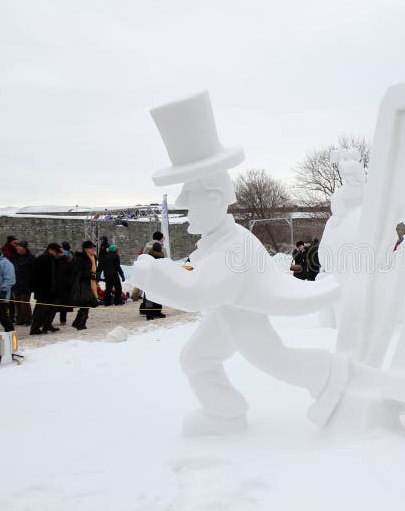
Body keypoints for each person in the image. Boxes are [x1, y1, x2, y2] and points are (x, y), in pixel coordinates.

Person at [133, 91, 347, 436]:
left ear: (216, 199)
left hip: (241, 309)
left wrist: (153, 275)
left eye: (191, 202)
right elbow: (200, 280)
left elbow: (200, 293)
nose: (186, 212)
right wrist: (164, 272)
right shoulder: (220, 239)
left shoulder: (234, 245)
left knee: (269, 359)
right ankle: (226, 412)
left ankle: (323, 373)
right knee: (197, 359)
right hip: (231, 309)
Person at [30, 243, 62, 335]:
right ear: (50, 250)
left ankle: (47, 325)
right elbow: (38, 276)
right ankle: (35, 328)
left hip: (51, 289)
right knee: (41, 310)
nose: (57, 254)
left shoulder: (52, 259)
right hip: (44, 289)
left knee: (52, 309)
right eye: (56, 252)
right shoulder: (42, 259)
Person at [71, 241, 98, 331]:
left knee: (86, 304)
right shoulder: (81, 258)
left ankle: (78, 322)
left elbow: (95, 270)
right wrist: (89, 275)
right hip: (83, 284)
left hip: (91, 283)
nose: (93, 249)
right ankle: (80, 323)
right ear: (86, 249)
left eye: (93, 248)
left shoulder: (93, 258)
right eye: (91, 248)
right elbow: (77, 272)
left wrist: (95, 276)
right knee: (86, 303)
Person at [140, 242, 166, 320]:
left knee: (149, 296)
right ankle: (156, 312)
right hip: (157, 278)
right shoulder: (160, 257)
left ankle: (150, 314)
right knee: (157, 296)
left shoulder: (148, 256)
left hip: (149, 278)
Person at [12, 240, 35, 326]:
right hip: (16, 283)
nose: (17, 248)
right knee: (17, 303)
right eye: (17, 247)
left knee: (24, 303)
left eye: (19, 247)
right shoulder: (15, 257)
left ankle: (28, 319)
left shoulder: (31, 258)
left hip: (26, 284)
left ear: (24, 248)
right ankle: (20, 319)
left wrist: (32, 284)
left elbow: (34, 272)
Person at [56, 244, 74, 325]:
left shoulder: (67, 260)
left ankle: (63, 320)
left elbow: (71, 272)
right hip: (59, 284)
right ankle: (60, 320)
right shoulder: (56, 260)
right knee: (57, 303)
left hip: (64, 285)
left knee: (63, 303)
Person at [1, 236, 18, 323]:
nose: (16, 245)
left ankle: (11, 316)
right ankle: (9, 316)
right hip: (8, 278)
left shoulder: (14, 250)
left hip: (12, 277)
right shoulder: (6, 251)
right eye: (15, 243)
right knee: (9, 299)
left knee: (11, 299)